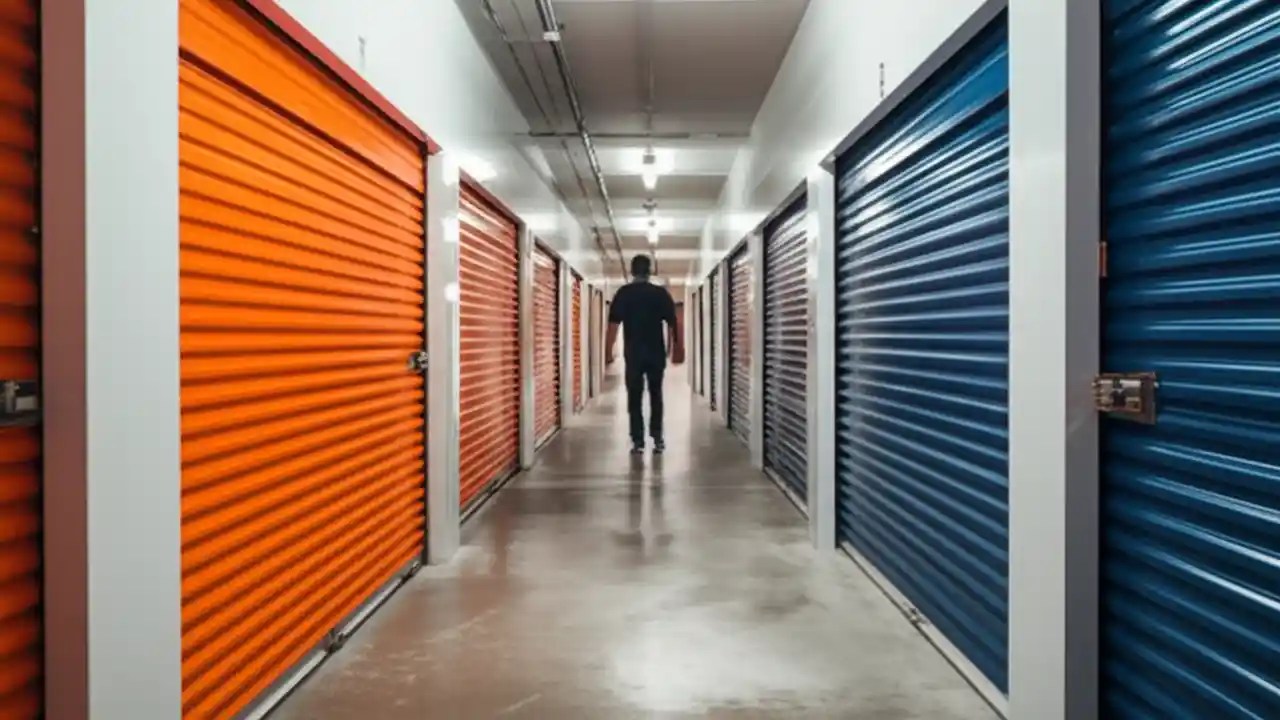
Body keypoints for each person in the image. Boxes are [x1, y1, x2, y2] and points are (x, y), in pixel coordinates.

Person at [606, 255, 683, 454]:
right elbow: (673, 323)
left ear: (632, 271)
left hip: (633, 355)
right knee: (656, 395)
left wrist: (608, 350)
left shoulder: (624, 293)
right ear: (650, 271)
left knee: (634, 397)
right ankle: (657, 438)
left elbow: (613, 324)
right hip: (656, 354)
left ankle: (637, 440)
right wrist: (678, 348)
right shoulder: (660, 294)